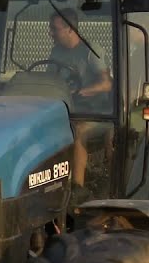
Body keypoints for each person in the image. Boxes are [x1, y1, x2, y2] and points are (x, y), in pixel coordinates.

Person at [48, 10, 112, 195]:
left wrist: (78, 92)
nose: (51, 33)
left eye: (54, 29)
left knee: (79, 131)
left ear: (70, 29)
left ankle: (77, 189)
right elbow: (50, 80)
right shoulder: (56, 51)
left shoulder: (91, 51)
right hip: (66, 109)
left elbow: (106, 84)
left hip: (95, 113)